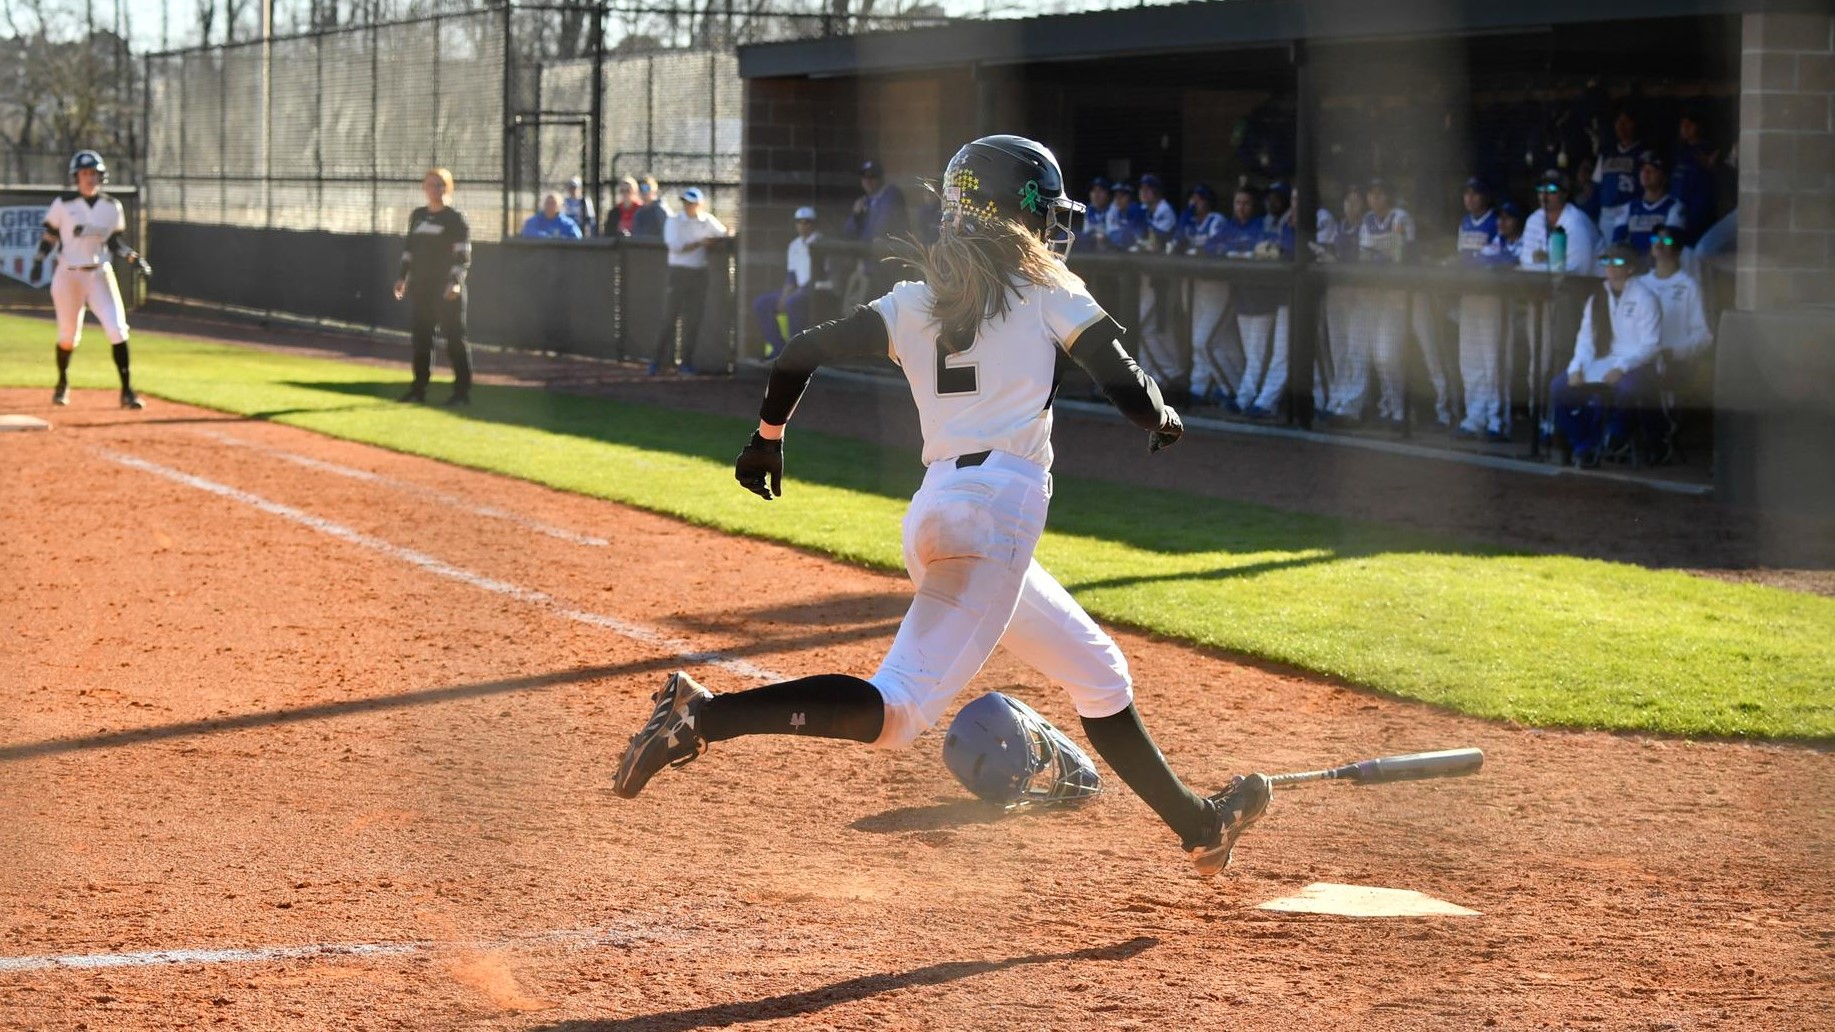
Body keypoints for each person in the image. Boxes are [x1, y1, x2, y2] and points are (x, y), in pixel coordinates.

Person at [610, 134, 1273, 878]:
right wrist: (1158, 415)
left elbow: (799, 349)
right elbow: (1120, 375)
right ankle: (704, 718)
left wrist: (767, 438)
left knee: (1099, 672)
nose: (1054, 227)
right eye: (1045, 212)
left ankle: (1197, 826)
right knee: (896, 714)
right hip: (995, 517)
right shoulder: (1049, 288)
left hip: (942, 510)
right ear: (1018, 215)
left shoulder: (914, 300)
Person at [29, 150, 149, 409]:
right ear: (76, 177)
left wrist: (132, 258)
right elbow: (50, 235)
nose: (89, 178)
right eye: (84, 173)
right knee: (68, 336)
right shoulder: (64, 204)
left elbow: (115, 242)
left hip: (99, 273)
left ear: (101, 176)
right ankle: (62, 382)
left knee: (117, 328)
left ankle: (127, 391)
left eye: (94, 173)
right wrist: (39, 260)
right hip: (68, 275)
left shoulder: (111, 207)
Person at [1549, 243, 1660, 466]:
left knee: (1625, 389)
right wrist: (1576, 368)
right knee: (1559, 387)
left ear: (1630, 268)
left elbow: (1651, 345)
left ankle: (1615, 437)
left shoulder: (1645, 298)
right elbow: (1585, 340)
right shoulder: (1596, 298)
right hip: (1604, 362)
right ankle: (1584, 445)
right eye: (1606, 262)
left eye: (1617, 262)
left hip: (1638, 364)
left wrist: (1622, 367)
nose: (1610, 267)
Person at [393, 168, 473, 405]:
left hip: (446, 290)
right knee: (421, 341)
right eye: (431, 185)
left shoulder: (455, 219)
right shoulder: (418, 215)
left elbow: (463, 257)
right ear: (424, 188)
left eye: (440, 185)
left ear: (447, 188)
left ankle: (461, 393)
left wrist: (455, 283)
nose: (435, 190)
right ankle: (418, 390)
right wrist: (402, 277)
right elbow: (409, 250)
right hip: (421, 288)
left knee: (454, 341)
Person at [1452, 178, 1513, 441]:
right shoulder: (1464, 223)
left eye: (1475, 193)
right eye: (1467, 193)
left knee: (1493, 361)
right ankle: (1474, 417)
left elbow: (1498, 256)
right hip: (1469, 296)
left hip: (1491, 298)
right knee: (1470, 360)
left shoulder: (1495, 220)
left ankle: (1497, 420)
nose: (1470, 198)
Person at [650, 186, 731, 376]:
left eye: (692, 203)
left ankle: (686, 362)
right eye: (686, 202)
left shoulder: (707, 220)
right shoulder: (674, 221)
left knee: (692, 321)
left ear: (699, 204)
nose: (688, 206)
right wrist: (701, 243)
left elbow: (723, 233)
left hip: (698, 274)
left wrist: (718, 237)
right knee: (669, 319)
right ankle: (657, 361)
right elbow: (675, 247)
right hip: (678, 274)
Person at [1638, 226, 1714, 428]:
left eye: (1668, 241)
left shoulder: (1689, 287)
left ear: (1679, 251)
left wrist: (1675, 351)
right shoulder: (1638, 285)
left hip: (1672, 365)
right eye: (1656, 239)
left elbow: (1704, 336)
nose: (1660, 244)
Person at [1355, 179, 1416, 429]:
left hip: (1401, 298)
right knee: (1379, 357)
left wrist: (1381, 256)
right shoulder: (1368, 219)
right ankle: (1392, 407)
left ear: (1388, 196)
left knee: (1388, 355)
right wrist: (1383, 255)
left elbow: (1403, 254)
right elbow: (1364, 257)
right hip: (1377, 297)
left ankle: (1403, 410)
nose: (1375, 199)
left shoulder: (1400, 216)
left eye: (1380, 194)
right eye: (1371, 194)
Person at [1178, 184, 1236, 408]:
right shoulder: (1191, 220)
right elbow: (1179, 239)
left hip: (1217, 288)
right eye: (1193, 197)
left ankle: (1230, 389)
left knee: (1204, 342)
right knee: (1200, 341)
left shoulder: (1216, 220)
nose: (1196, 202)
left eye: (1200, 198)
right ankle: (1200, 388)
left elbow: (1213, 247)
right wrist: (1186, 213)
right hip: (1196, 287)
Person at [751, 206, 832, 359]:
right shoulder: (794, 245)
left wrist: (792, 295)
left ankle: (796, 353)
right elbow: (791, 275)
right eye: (799, 222)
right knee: (761, 303)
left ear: (814, 224)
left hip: (817, 290)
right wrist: (784, 295)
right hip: (798, 289)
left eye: (807, 222)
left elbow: (823, 274)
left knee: (793, 302)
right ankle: (779, 349)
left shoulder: (822, 243)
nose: (803, 225)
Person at [1316, 181, 1366, 425]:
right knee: (1339, 350)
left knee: (1356, 351)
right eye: (1347, 201)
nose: (1350, 206)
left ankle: (1352, 407)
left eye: (1356, 201)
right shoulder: (1339, 227)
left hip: (1359, 296)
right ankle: (1337, 399)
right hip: (1336, 294)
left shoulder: (1367, 227)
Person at [1132, 173, 1182, 395]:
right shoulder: (1148, 211)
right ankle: (1152, 375)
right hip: (1151, 279)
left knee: (1149, 326)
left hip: (1163, 280)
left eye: (1147, 189)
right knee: (1154, 330)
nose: (1143, 193)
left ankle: (1170, 374)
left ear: (1156, 191)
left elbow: (1162, 236)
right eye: (1141, 188)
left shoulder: (1164, 210)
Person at [842, 159, 910, 298]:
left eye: (872, 177)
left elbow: (882, 229)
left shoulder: (891, 194)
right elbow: (848, 232)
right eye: (864, 177)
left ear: (880, 178)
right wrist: (856, 215)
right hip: (868, 263)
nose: (867, 181)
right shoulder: (865, 201)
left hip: (887, 263)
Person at [1609, 152, 1685, 258]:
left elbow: (1670, 245)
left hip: (1659, 268)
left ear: (1665, 176)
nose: (1645, 173)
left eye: (1652, 170)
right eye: (1643, 169)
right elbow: (1617, 244)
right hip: (1633, 267)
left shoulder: (1674, 207)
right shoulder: (1628, 208)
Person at [1670, 104, 1718, 245]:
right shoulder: (1680, 153)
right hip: (1677, 217)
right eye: (1683, 123)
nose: (1685, 127)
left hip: (1698, 219)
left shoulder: (1709, 151)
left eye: (1690, 123)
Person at [1593, 105, 1645, 236]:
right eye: (1619, 122)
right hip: (1606, 213)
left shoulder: (1643, 154)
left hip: (1631, 212)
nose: (1622, 126)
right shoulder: (1606, 154)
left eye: (1626, 122)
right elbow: (1596, 186)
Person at [1084, 176, 1113, 251]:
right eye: (1093, 191)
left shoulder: (1113, 208)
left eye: (1100, 191)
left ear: (1108, 194)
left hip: (1109, 244)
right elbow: (1086, 232)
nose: (1096, 194)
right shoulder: (1090, 209)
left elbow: (1113, 234)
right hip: (1092, 241)